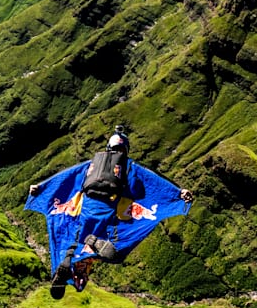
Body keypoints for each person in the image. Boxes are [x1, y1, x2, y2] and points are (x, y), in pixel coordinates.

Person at [25, 126, 193, 298]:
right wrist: (178, 193)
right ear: (126, 149)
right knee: (117, 253)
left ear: (108, 148)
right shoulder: (129, 166)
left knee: (73, 239)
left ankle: (68, 261)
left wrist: (40, 188)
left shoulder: (91, 164)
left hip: (86, 209)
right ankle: (91, 246)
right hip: (108, 212)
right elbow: (153, 182)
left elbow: (68, 176)